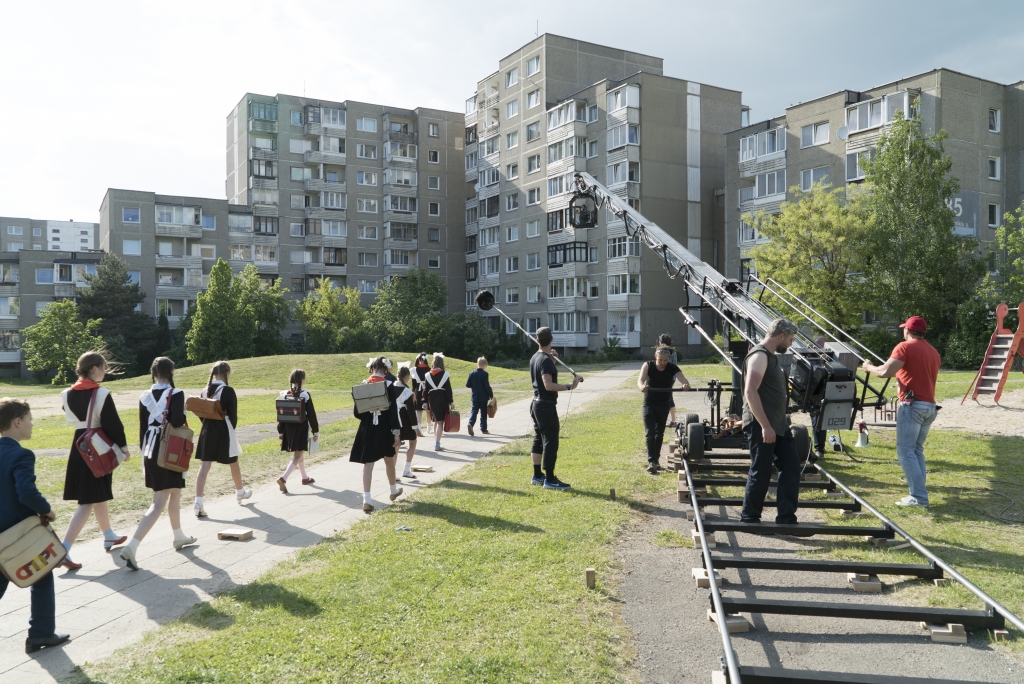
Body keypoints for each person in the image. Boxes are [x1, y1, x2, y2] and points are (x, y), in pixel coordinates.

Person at [0, 398, 71, 654]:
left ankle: (42, 633)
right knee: (42, 575)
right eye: (29, 420)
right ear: (17, 422)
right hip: (17, 537)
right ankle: (41, 633)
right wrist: (46, 510)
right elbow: (26, 492)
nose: (32, 424)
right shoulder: (21, 454)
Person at [120, 357, 196, 570]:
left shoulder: (144, 396)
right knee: (159, 501)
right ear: (171, 372)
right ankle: (132, 546)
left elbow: (143, 428)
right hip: (169, 449)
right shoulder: (177, 393)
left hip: (150, 449)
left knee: (175, 491)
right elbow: (177, 421)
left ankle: (178, 535)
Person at [59, 352, 129, 570]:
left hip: (78, 444)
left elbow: (69, 413)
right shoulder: (102, 394)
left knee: (97, 493)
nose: (105, 371)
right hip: (96, 445)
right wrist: (124, 448)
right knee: (88, 500)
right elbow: (113, 424)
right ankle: (63, 550)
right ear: (95, 368)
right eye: (104, 367)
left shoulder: (67, 393)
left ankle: (108, 534)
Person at [861, 315, 941, 507]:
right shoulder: (933, 351)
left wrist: (868, 367)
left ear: (907, 330)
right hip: (930, 407)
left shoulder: (904, 347)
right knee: (916, 450)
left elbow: (884, 372)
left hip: (913, 406)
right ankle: (919, 494)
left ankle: (919, 497)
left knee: (906, 452)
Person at [740, 318, 801, 525]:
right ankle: (749, 518)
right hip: (762, 425)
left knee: (791, 466)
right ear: (781, 336)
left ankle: (786, 518)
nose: (791, 343)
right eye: (790, 339)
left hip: (778, 425)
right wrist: (765, 426)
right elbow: (750, 391)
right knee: (762, 470)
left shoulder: (771, 357)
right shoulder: (759, 355)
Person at [193, 361, 250, 517]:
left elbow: (201, 412)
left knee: (204, 466)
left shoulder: (204, 390)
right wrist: (229, 429)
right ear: (227, 372)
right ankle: (240, 491)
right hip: (224, 429)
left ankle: (198, 501)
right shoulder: (228, 391)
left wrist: (207, 425)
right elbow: (233, 416)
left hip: (206, 429)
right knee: (233, 461)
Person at [350, 356, 404, 513]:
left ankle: (367, 499)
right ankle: (393, 490)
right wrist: (396, 432)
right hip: (385, 427)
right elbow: (393, 411)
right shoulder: (388, 384)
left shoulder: (364, 384)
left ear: (372, 368)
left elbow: (357, 412)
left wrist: (368, 417)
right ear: (385, 369)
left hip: (368, 427)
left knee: (368, 463)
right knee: (389, 460)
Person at [529, 327, 581, 490]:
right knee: (550, 441)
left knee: (539, 438)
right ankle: (550, 479)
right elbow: (548, 385)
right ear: (551, 340)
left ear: (537, 341)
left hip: (536, 403)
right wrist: (569, 386)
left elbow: (542, 375)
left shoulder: (536, 357)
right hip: (545, 405)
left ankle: (537, 475)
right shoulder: (545, 360)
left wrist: (552, 360)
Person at [638, 343, 691, 474]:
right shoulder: (648, 365)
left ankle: (656, 460)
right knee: (650, 433)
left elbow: (682, 378)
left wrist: (685, 384)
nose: (662, 363)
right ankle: (651, 461)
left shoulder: (672, 367)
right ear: (655, 356)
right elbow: (640, 380)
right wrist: (642, 387)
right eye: (660, 360)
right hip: (649, 404)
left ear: (669, 359)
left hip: (664, 404)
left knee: (659, 434)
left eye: (665, 360)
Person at [276, 369, 319, 494]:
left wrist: (280, 432)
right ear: (302, 380)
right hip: (301, 427)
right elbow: (311, 415)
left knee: (299, 452)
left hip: (288, 428)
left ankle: (304, 478)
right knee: (297, 455)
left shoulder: (285, 394)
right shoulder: (305, 395)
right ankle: (283, 478)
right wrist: (315, 431)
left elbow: (281, 414)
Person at [424, 353, 454, 452]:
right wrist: (451, 402)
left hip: (432, 400)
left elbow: (425, 390)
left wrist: (425, 402)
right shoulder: (445, 374)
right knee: (440, 422)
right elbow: (448, 390)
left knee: (436, 421)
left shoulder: (428, 375)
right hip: (443, 400)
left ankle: (436, 440)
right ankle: (437, 443)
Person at [395, 364, 419, 479]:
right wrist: (416, 427)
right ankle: (406, 470)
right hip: (405, 420)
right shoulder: (406, 391)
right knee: (413, 443)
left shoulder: (390, 387)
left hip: (394, 419)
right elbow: (411, 411)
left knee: (396, 446)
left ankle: (392, 473)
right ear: (406, 377)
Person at [465, 357, 494, 437]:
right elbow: (487, 386)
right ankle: (483, 429)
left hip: (474, 396)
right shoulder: (485, 374)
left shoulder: (472, 373)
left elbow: (468, 385)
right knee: (483, 413)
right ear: (484, 365)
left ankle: (470, 423)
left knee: (474, 411)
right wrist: (491, 395)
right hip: (483, 397)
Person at [657, 334, 679, 425]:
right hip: (672, 378)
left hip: (666, 377)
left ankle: (671, 420)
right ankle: (672, 420)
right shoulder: (673, 352)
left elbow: (663, 366)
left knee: (667, 397)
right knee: (668, 396)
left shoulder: (664, 352)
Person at [412, 352, 430, 436]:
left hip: (418, 390)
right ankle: (429, 427)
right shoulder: (429, 369)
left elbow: (413, 383)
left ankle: (419, 428)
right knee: (428, 410)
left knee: (419, 410)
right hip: (427, 390)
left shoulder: (414, 369)